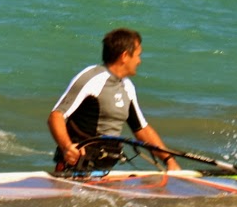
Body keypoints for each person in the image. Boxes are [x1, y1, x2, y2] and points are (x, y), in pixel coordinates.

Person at [47, 28, 180, 173]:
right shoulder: (91, 78)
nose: (139, 61)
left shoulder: (127, 86)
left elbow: (141, 129)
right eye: (138, 55)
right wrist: (67, 147)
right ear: (124, 56)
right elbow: (56, 115)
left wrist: (169, 161)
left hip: (105, 170)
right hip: (75, 167)